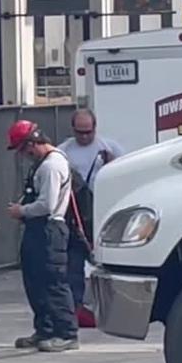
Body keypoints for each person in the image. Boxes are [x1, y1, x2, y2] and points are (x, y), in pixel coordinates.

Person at [7, 121, 80, 352]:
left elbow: (47, 204)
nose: (23, 155)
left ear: (32, 143)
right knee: (35, 282)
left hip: (49, 230)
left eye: (22, 149)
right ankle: (45, 328)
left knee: (53, 282)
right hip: (38, 230)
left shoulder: (51, 166)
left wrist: (22, 211)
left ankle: (67, 333)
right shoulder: (41, 165)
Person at [58, 108, 123, 316]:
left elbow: (124, 176)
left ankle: (116, 302)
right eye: (80, 132)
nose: (84, 137)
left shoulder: (109, 147)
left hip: (103, 211)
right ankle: (76, 304)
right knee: (74, 262)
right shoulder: (64, 151)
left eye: (88, 132)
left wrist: (112, 163)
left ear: (95, 128)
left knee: (110, 260)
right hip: (76, 214)